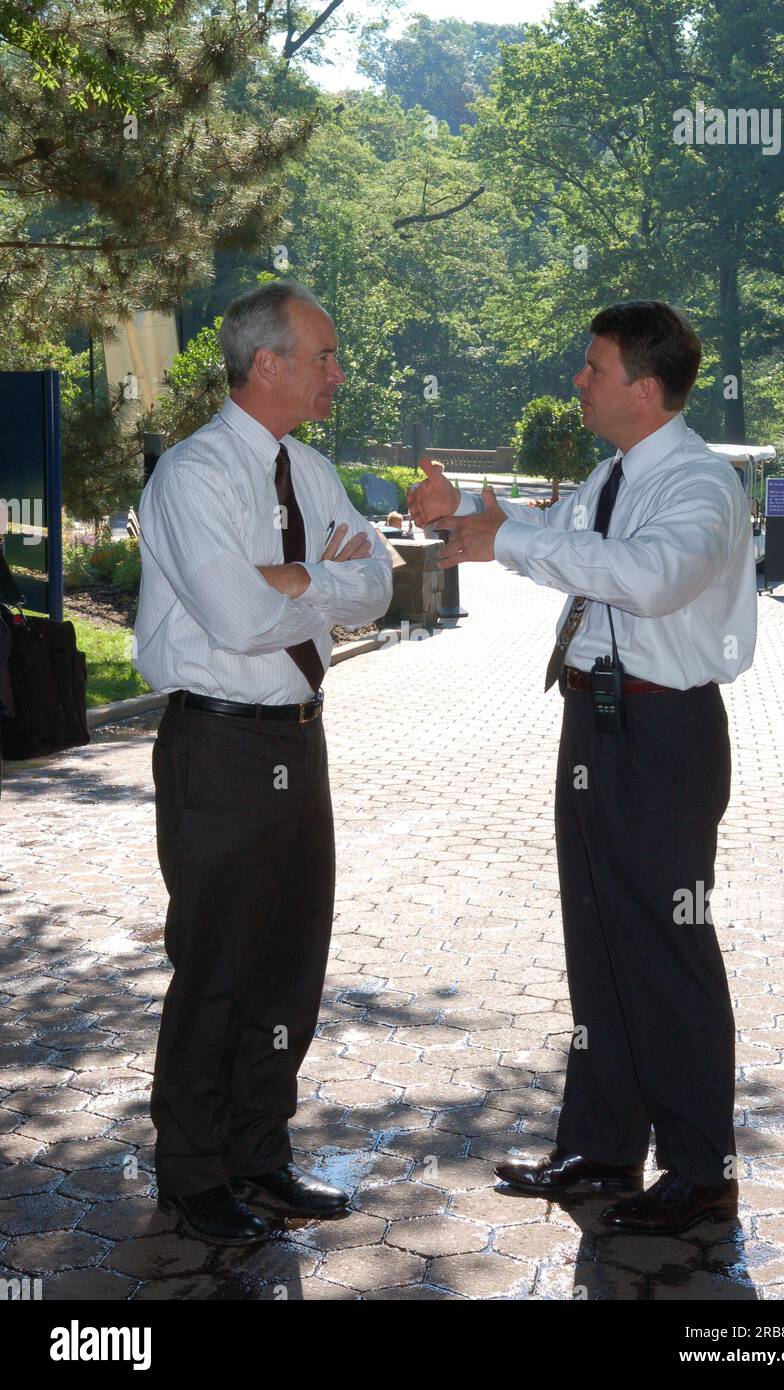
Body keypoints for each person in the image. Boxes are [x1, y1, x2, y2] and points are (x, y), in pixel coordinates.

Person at [408, 300, 756, 1236]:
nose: (579, 381)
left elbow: (646, 577)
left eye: (593, 368)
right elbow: (557, 533)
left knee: (667, 946)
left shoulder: (700, 486)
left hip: (664, 734)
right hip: (599, 726)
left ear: (644, 388)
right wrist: (474, 518)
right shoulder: (616, 473)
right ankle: (602, 1147)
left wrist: (507, 538)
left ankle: (699, 1170)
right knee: (599, 937)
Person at [133, 279, 393, 1245]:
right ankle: (193, 1174)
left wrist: (303, 579)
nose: (337, 373)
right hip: (220, 745)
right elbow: (240, 622)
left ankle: (260, 1154)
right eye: (323, 356)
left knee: (289, 961)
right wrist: (322, 586)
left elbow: (379, 586)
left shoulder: (311, 470)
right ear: (267, 363)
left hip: (297, 737)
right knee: (217, 965)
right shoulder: (193, 477)